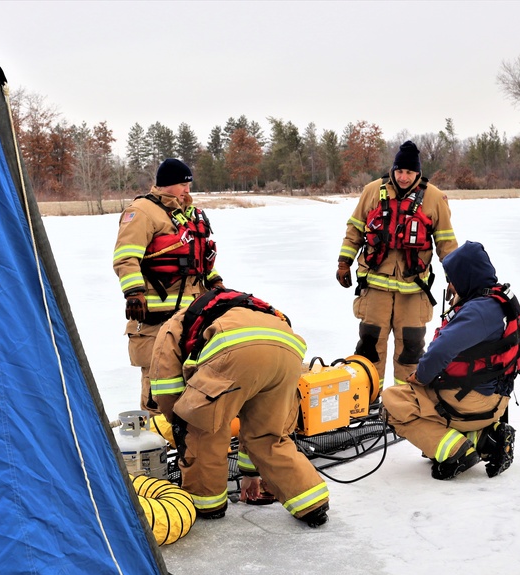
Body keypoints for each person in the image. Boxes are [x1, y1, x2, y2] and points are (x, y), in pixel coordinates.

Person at [148, 287, 330, 527]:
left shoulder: (173, 326)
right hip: (288, 349)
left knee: (204, 431)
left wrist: (182, 424)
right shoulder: (237, 308)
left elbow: (165, 389)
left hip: (234, 350)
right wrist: (250, 474)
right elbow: (251, 417)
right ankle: (313, 504)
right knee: (268, 436)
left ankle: (207, 505)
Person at [381, 241, 520, 480]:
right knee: (427, 400)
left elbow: (439, 351)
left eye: (452, 279)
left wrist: (421, 377)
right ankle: (488, 439)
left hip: (470, 403)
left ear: (466, 276)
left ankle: (455, 453)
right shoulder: (499, 301)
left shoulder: (477, 311)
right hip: (496, 401)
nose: (450, 285)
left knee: (393, 402)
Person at [335, 140, 458, 390]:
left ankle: (405, 402)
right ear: (393, 169)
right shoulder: (372, 191)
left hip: (413, 290)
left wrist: (455, 277)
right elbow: (355, 229)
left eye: (409, 172)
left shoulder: (435, 198)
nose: (403, 177)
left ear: (418, 173)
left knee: (411, 351)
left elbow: (446, 242)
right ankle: (370, 400)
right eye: (399, 171)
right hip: (374, 287)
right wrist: (344, 262)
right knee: (369, 347)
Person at [113, 158, 223, 413]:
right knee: (158, 379)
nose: (187, 190)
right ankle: (156, 430)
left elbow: (200, 259)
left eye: (189, 184)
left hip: (193, 313)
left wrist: (216, 283)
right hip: (156, 317)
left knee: (193, 375)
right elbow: (126, 257)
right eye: (183, 184)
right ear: (167, 184)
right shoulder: (142, 212)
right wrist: (133, 293)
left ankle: (187, 430)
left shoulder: (188, 214)